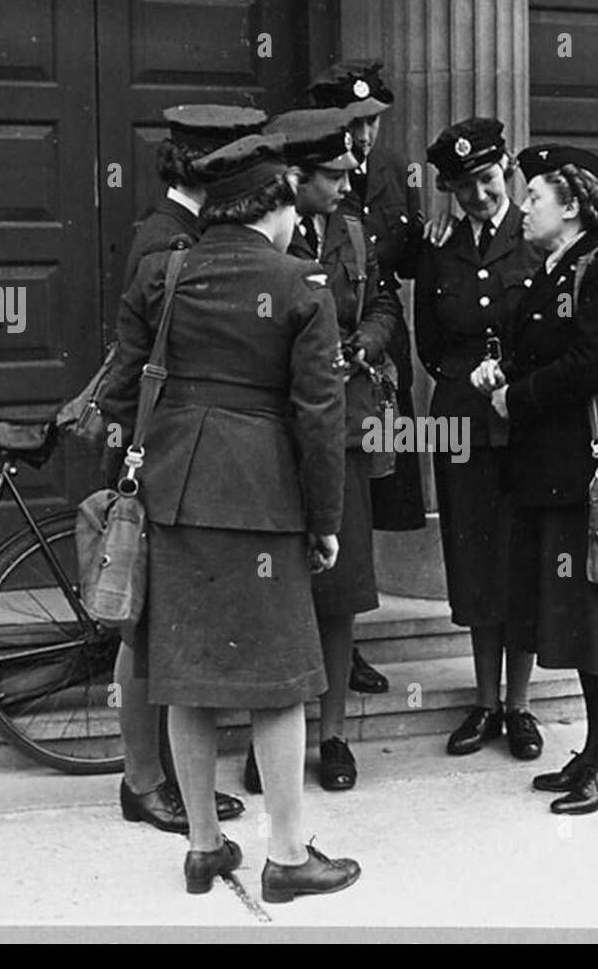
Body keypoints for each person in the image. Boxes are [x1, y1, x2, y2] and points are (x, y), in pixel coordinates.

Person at [112, 132, 360, 901]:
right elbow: (319, 418)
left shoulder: (165, 273)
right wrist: (326, 520)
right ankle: (286, 855)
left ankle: (203, 846)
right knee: (278, 680)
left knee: (185, 676)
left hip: (177, 494)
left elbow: (124, 382)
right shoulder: (300, 284)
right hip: (261, 499)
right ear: (276, 205)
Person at [474, 144, 598, 815]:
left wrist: (515, 398)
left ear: (575, 205)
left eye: (535, 197)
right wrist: (502, 375)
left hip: (592, 467)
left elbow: (593, 365)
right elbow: (542, 351)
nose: (522, 206)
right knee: (583, 616)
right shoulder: (554, 269)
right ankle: (597, 752)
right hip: (555, 468)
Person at [108, 105, 264, 833]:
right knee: (143, 626)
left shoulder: (178, 232)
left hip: (169, 449)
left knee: (157, 621)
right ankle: (144, 782)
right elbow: (143, 360)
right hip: (158, 452)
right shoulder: (164, 241)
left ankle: (163, 776)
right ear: (210, 168)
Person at [244, 107, 402, 794]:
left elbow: (387, 307)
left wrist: (362, 345)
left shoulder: (357, 234)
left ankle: (332, 734)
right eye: (333, 174)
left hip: (341, 431)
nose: (347, 182)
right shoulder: (261, 239)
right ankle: (270, 736)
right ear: (297, 177)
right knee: (276, 592)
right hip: (276, 435)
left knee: (337, 595)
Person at [417, 117, 544, 760]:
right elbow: (429, 344)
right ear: (449, 192)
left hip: (524, 421)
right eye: (464, 189)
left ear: (509, 173)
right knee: (473, 558)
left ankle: (519, 705)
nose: (480, 197)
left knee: (520, 557)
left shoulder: (536, 236)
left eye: (489, 181)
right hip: (462, 422)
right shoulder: (441, 247)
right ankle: (484, 701)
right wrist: (464, 377)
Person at [308, 60, 426, 697]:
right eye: (355, 124)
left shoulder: (390, 173)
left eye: (374, 122)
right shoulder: (307, 172)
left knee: (366, 505)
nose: (366, 137)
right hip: (322, 372)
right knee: (331, 509)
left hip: (372, 367)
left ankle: (347, 645)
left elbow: (398, 268)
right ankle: (328, 653)